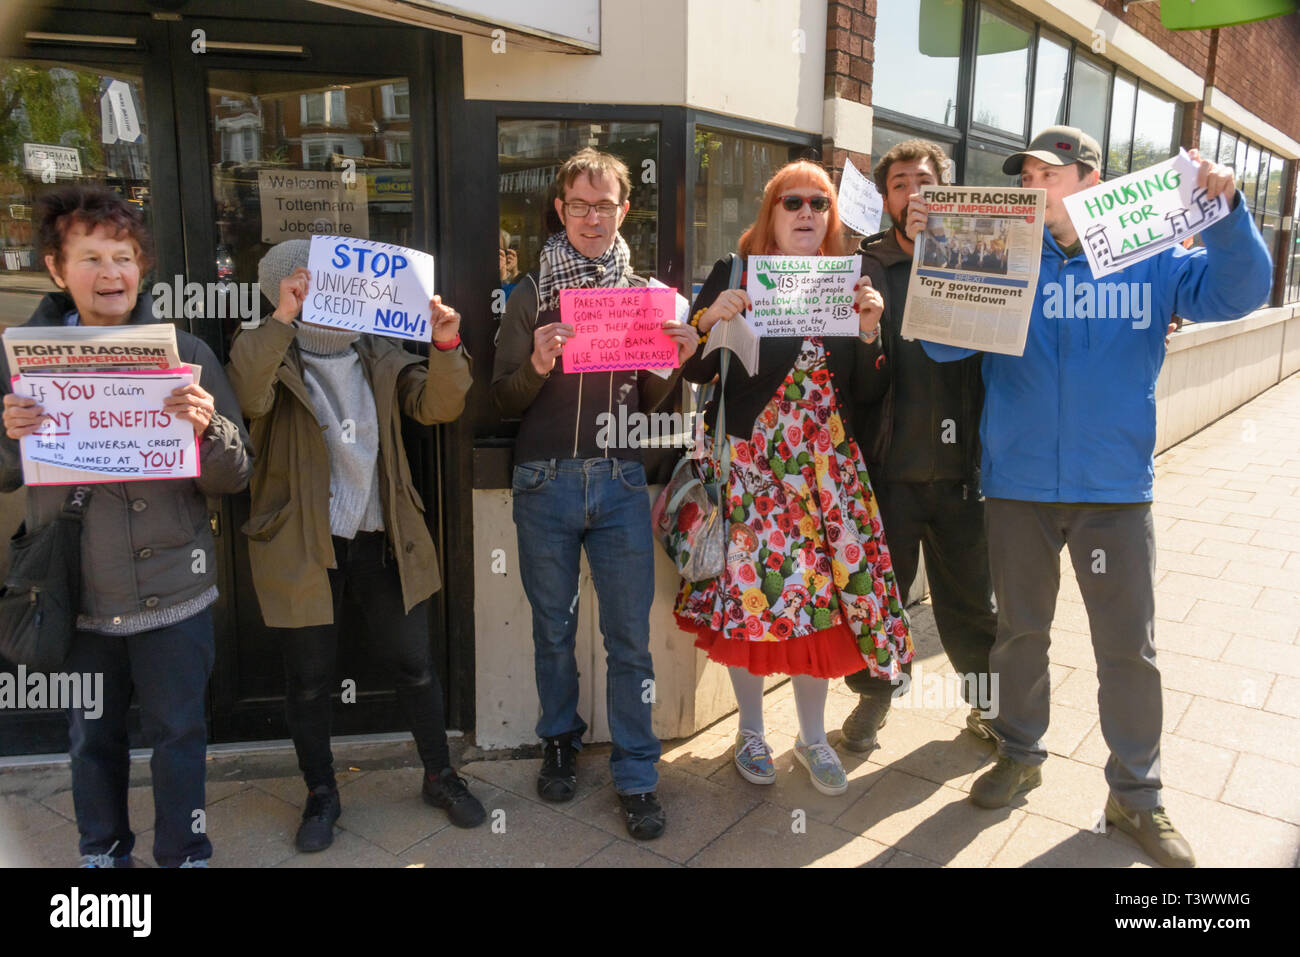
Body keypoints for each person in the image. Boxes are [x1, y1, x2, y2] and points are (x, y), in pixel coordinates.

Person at [920, 126, 1273, 868]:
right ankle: (1020, 752)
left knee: (1127, 649)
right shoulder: (1005, 254)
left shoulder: (1150, 258)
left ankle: (1136, 793)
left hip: (1113, 489)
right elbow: (942, 344)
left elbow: (1240, 292)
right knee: (1020, 633)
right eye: (1022, 178)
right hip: (1015, 485)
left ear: (1090, 178)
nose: (1027, 189)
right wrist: (940, 250)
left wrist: (1230, 209)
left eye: (1042, 176)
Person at [0, 185, 252, 867]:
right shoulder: (19, 360)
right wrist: (7, 435)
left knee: (181, 734)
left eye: (123, 256)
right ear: (56, 267)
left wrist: (209, 428)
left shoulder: (188, 351)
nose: (110, 273)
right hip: (78, 600)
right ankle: (102, 854)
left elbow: (234, 476)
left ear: (141, 267)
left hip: (176, 595)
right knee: (92, 740)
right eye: (90, 257)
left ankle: (186, 852)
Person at [226, 239, 484, 852]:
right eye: (309, 283)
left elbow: (439, 405)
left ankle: (439, 775)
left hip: (381, 537)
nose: (329, 293)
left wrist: (446, 344)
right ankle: (321, 793)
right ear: (281, 288)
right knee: (310, 679)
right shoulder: (262, 349)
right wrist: (283, 318)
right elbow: (247, 395)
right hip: (304, 546)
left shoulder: (380, 353)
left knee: (414, 664)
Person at [674, 160, 912, 797]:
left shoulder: (851, 279)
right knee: (750, 600)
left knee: (819, 606)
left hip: (824, 477)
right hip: (751, 470)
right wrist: (710, 319)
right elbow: (694, 373)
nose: (807, 213)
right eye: (793, 202)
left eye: (819, 204)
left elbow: (869, 389)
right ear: (771, 212)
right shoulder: (735, 272)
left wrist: (870, 332)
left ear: (832, 217)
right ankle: (751, 732)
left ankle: (811, 738)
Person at [490, 148, 699, 840]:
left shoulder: (644, 295)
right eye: (578, 205)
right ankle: (560, 741)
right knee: (552, 629)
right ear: (559, 210)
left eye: (603, 204)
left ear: (623, 210)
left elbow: (655, 400)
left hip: (618, 482)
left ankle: (638, 772)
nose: (590, 217)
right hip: (543, 481)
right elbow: (501, 397)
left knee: (629, 639)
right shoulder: (528, 293)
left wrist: (671, 359)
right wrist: (538, 364)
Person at [840, 139, 997, 754]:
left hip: (965, 473)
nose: (913, 195)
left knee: (970, 606)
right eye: (900, 184)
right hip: (890, 471)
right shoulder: (865, 268)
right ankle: (874, 704)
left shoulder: (980, 260)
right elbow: (854, 376)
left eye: (925, 183)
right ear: (887, 199)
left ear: (947, 193)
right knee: (882, 599)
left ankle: (989, 707)